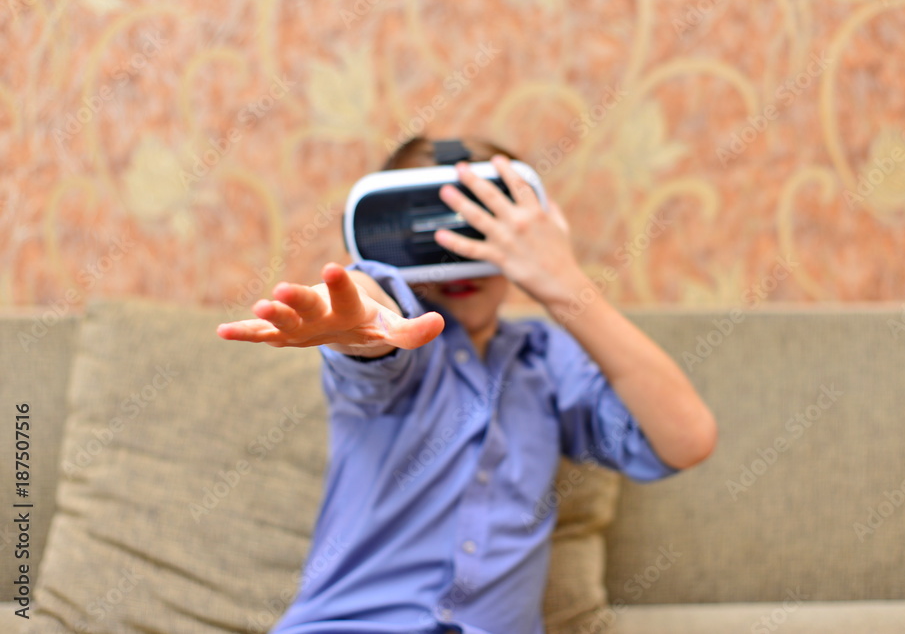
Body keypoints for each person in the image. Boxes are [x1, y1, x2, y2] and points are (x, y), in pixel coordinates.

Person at [216, 137, 717, 634]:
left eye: (479, 227)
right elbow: (375, 315)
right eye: (427, 234)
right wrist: (358, 313)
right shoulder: (403, 343)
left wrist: (564, 281)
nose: (453, 247)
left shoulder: (547, 361)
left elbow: (687, 438)